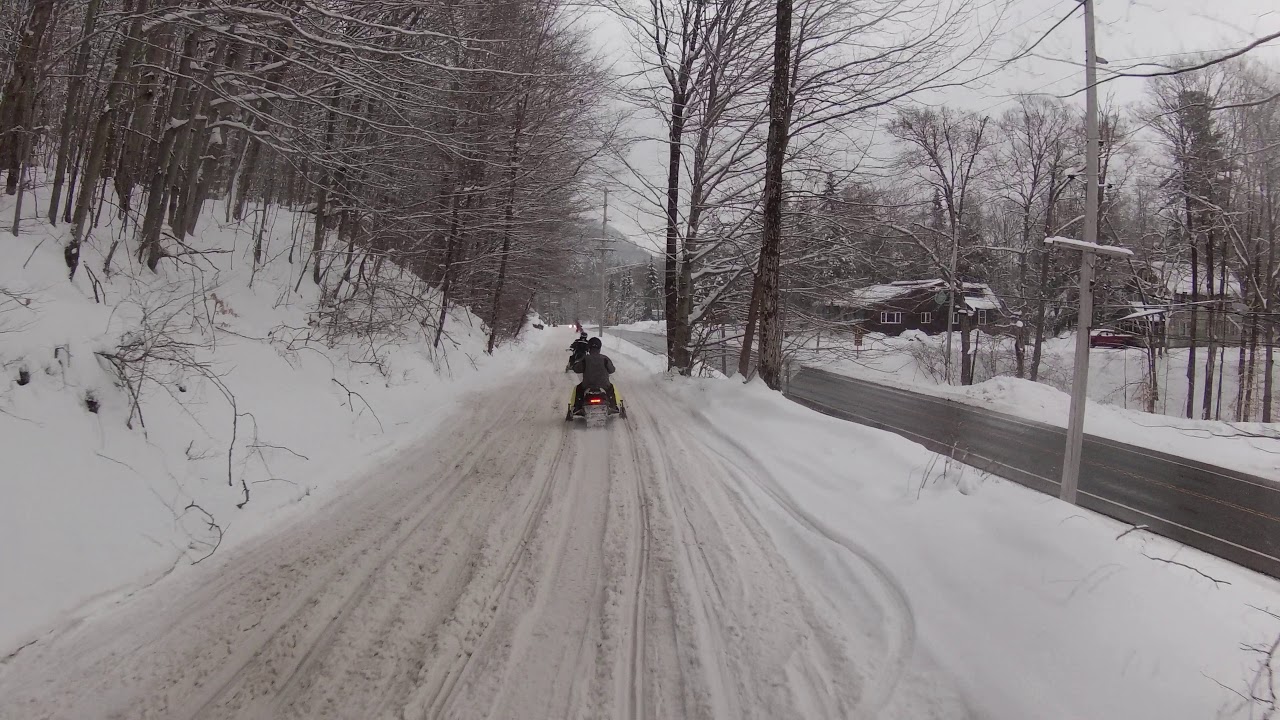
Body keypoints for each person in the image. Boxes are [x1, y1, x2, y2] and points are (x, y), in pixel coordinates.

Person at [572, 336, 617, 410]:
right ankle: (613, 407)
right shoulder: (605, 359)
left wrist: (575, 365)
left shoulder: (585, 358)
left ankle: (577, 408)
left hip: (587, 385)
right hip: (604, 385)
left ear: (589, 348)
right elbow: (612, 370)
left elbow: (577, 369)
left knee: (579, 389)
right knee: (611, 388)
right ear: (599, 348)